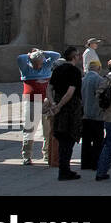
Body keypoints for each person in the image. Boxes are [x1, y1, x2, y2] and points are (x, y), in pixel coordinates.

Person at [16, 48, 60, 166]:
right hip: (31, 102)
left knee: (47, 130)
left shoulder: (46, 66)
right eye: (36, 63)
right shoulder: (26, 69)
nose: (39, 66)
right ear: (31, 62)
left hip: (46, 102)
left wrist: (42, 52)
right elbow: (20, 58)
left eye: (40, 63)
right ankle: (27, 156)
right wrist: (30, 54)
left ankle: (47, 154)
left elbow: (57, 55)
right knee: (29, 129)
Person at [47, 46, 83, 180]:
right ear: (74, 57)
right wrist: (60, 105)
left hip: (58, 106)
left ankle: (64, 169)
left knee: (61, 139)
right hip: (71, 109)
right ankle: (64, 170)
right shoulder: (75, 71)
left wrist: (53, 104)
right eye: (78, 55)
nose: (79, 57)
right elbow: (70, 92)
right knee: (69, 140)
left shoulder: (57, 69)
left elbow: (49, 89)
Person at [79, 59, 105, 170]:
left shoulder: (82, 80)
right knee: (97, 141)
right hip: (97, 115)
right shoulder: (99, 80)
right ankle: (95, 163)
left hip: (84, 115)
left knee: (85, 141)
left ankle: (85, 163)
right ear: (99, 68)